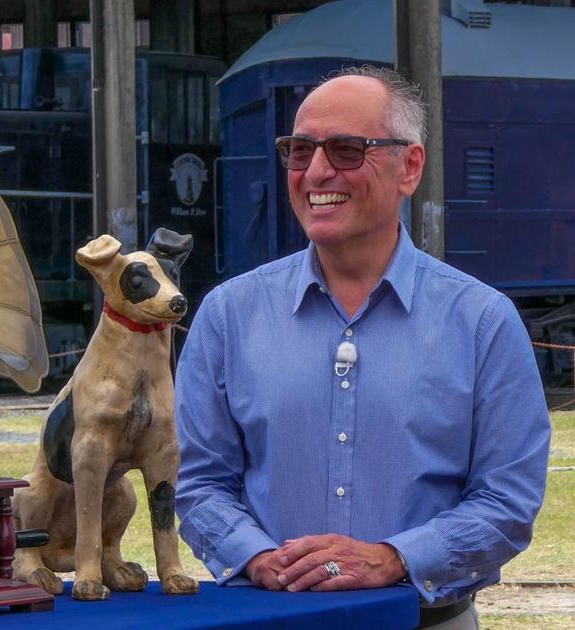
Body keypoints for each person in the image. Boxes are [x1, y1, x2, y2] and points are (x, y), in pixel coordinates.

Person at [174, 65, 550, 629]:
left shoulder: (481, 322)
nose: (317, 170)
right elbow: (199, 482)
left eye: (348, 150)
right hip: (268, 617)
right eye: (299, 151)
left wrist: (392, 560)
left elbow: (507, 502)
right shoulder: (228, 315)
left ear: (411, 167)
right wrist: (256, 556)